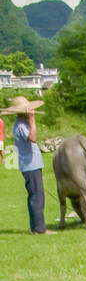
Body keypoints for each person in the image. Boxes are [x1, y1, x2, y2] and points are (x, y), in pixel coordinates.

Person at [2, 95, 50, 234]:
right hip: (31, 166)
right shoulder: (21, 125)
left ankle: (35, 228)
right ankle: (40, 229)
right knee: (37, 197)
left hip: (31, 165)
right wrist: (33, 119)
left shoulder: (22, 123)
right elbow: (33, 138)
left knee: (35, 196)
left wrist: (30, 120)